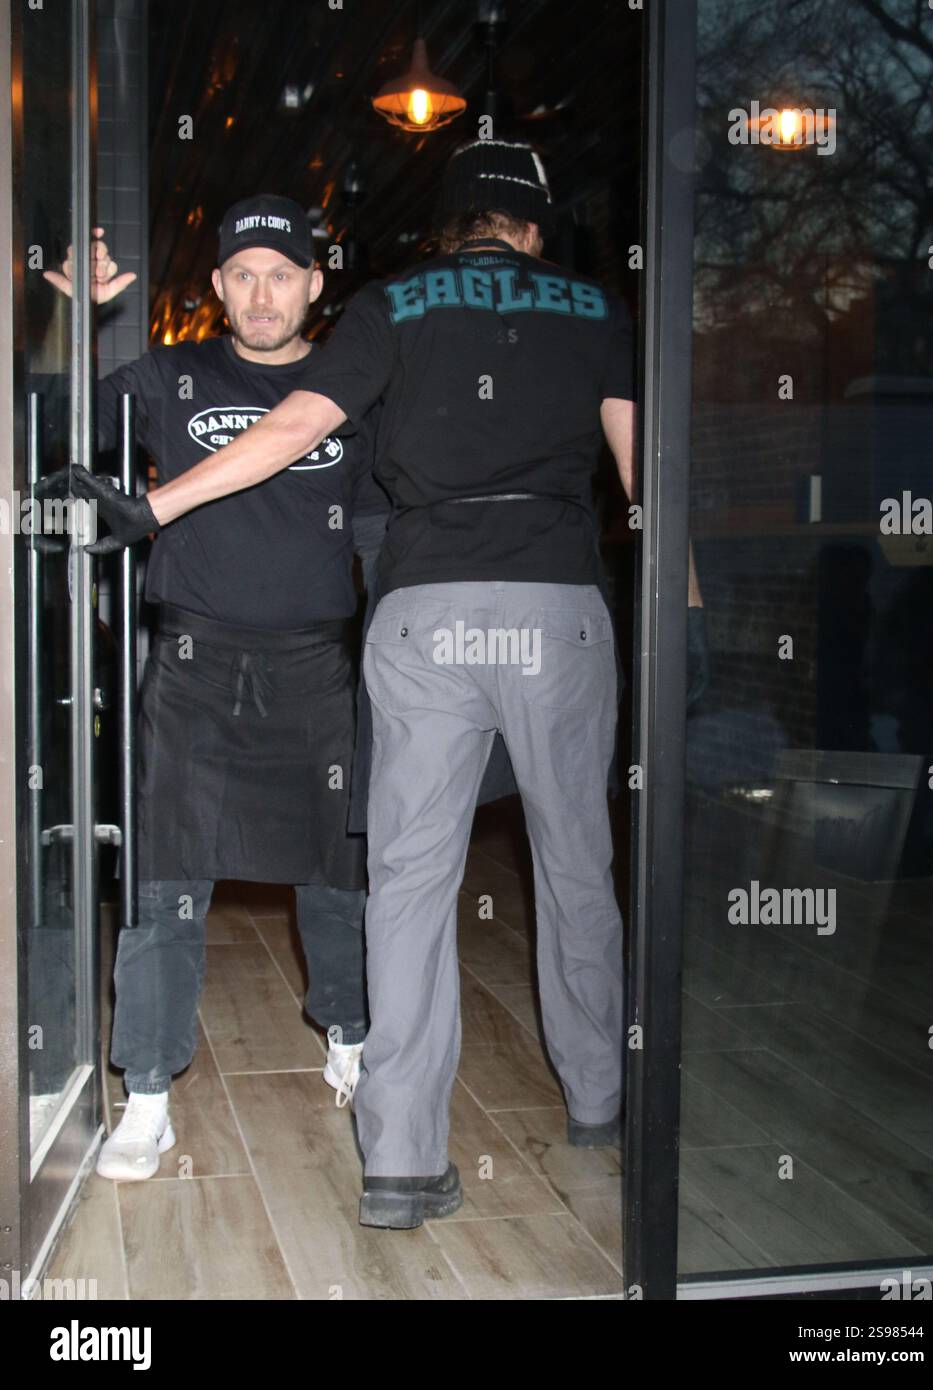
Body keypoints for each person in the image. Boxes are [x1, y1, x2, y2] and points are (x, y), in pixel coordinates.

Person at [72, 140, 703, 1227]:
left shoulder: (393, 305)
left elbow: (297, 429)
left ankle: (401, 1160)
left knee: (406, 884)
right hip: (555, 605)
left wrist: (157, 507)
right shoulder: (593, 308)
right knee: (577, 867)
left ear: (444, 226)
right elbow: (650, 483)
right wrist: (682, 629)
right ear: (534, 230)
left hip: (423, 609)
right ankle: (600, 1102)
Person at [50, 196, 389, 1179]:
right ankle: (146, 1094)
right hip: (193, 664)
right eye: (241, 274)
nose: (261, 293)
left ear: (315, 286)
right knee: (166, 882)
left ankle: (353, 1043)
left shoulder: (347, 391)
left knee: (337, 874)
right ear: (215, 289)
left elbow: (376, 530)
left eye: (282, 273)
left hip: (317, 666)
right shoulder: (170, 374)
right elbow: (60, 422)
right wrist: (78, 321)